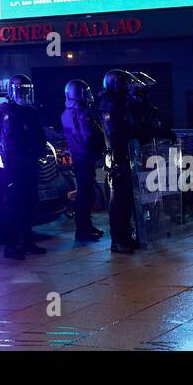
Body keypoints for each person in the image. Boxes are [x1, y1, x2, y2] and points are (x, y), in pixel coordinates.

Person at [0, 73, 47, 259]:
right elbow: (12, 139)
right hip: (15, 164)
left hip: (29, 163)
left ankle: (26, 241)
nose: (23, 95)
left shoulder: (30, 111)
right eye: (20, 91)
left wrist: (38, 149)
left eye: (26, 91)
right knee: (14, 205)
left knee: (29, 202)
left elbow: (39, 135)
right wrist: (31, 147)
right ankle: (10, 245)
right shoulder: (7, 111)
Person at [61, 79, 106, 242]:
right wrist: (101, 148)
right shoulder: (80, 113)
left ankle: (86, 226)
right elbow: (89, 136)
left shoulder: (69, 113)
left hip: (80, 156)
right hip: (84, 156)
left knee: (86, 193)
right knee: (86, 195)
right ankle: (83, 229)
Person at [99, 69, 136, 254]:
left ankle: (126, 237)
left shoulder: (121, 103)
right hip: (116, 157)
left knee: (126, 200)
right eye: (123, 83)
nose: (127, 87)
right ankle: (118, 240)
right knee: (119, 201)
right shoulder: (110, 105)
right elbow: (115, 134)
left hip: (123, 155)